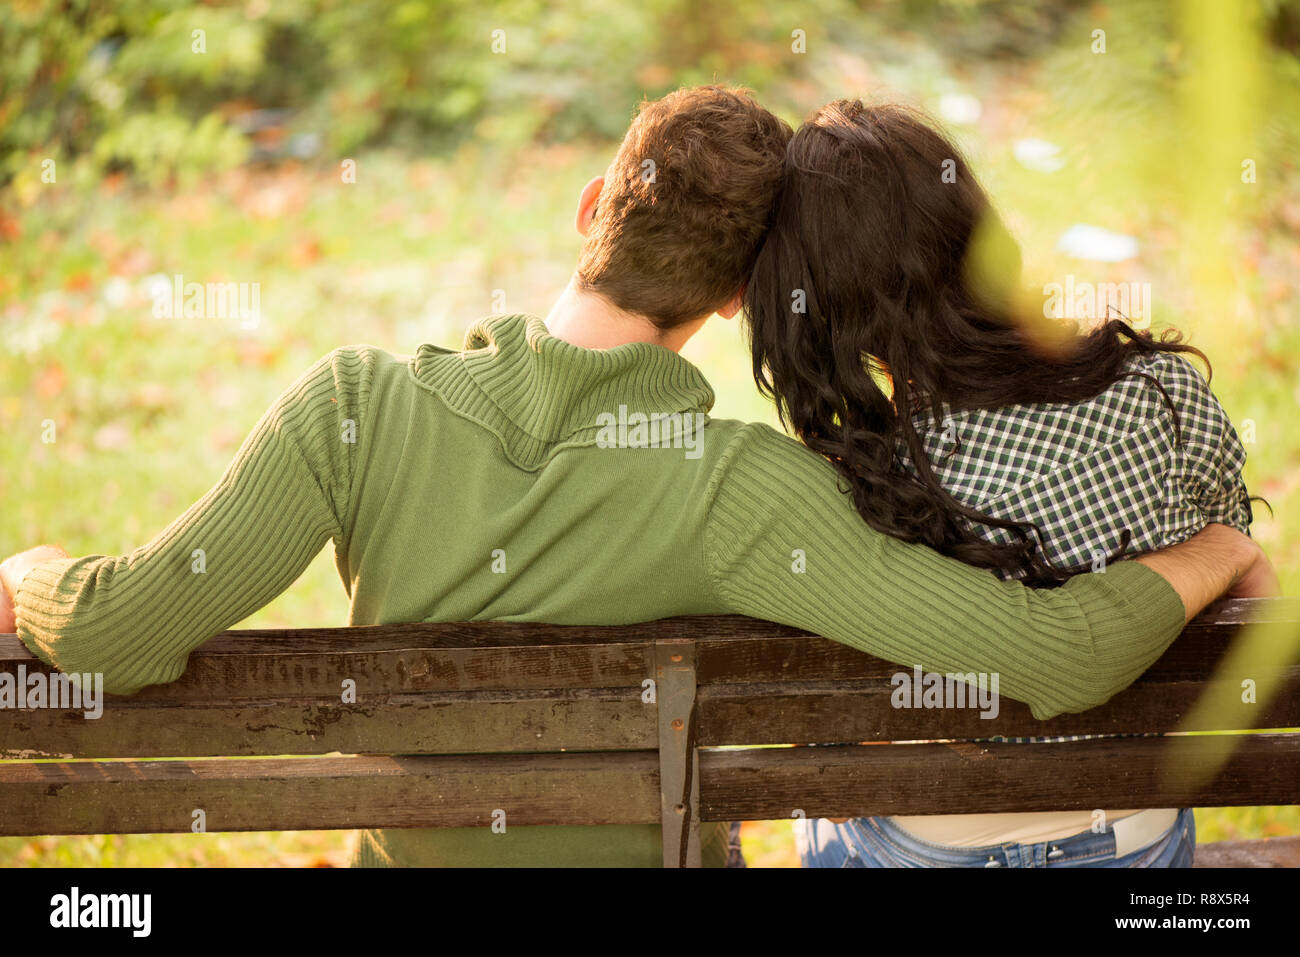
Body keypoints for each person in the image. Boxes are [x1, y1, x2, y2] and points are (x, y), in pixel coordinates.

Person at [1, 87, 1271, 868]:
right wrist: (1218, 548)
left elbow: (120, 630)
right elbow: (1041, 658)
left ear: (591, 201)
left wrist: (30, 576)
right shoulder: (743, 494)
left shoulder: (351, 408)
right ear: (732, 301)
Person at [742, 98, 1275, 868]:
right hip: (1134, 838)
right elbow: (1242, 585)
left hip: (921, 845)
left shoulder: (847, 484)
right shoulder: (1159, 396)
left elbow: (831, 738)